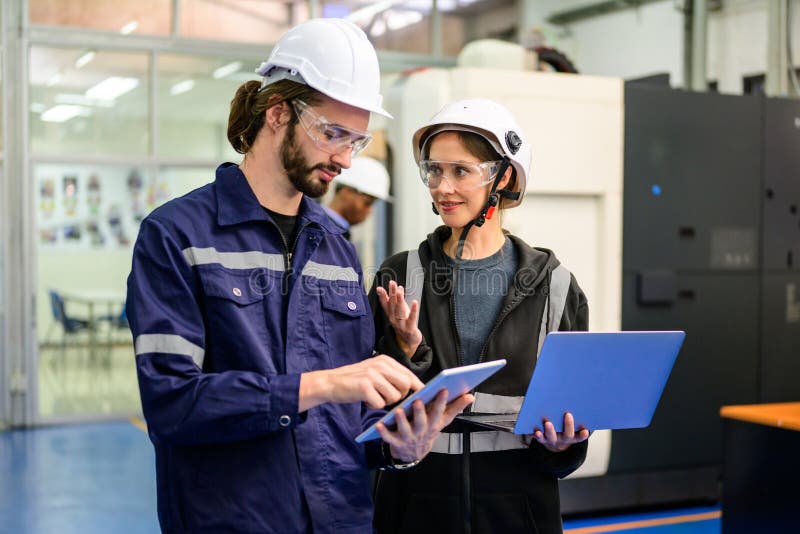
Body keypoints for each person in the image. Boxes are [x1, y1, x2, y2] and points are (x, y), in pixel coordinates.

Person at [126, 19, 472, 533]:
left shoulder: (336, 247)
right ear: (278, 112)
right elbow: (173, 406)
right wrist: (319, 385)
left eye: (357, 140)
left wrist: (398, 445)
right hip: (233, 520)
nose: (345, 159)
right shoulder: (177, 236)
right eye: (333, 134)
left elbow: (343, 419)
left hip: (340, 520)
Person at [369, 98, 591, 534]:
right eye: (434, 170)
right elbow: (374, 407)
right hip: (414, 512)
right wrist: (406, 348)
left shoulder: (557, 286)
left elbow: (570, 409)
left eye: (460, 171)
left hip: (519, 514)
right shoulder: (399, 275)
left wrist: (565, 444)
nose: (442, 187)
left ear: (503, 177)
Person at [322, 156, 391, 240]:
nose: (369, 211)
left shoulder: (334, 232)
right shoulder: (323, 233)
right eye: (367, 203)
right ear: (346, 192)